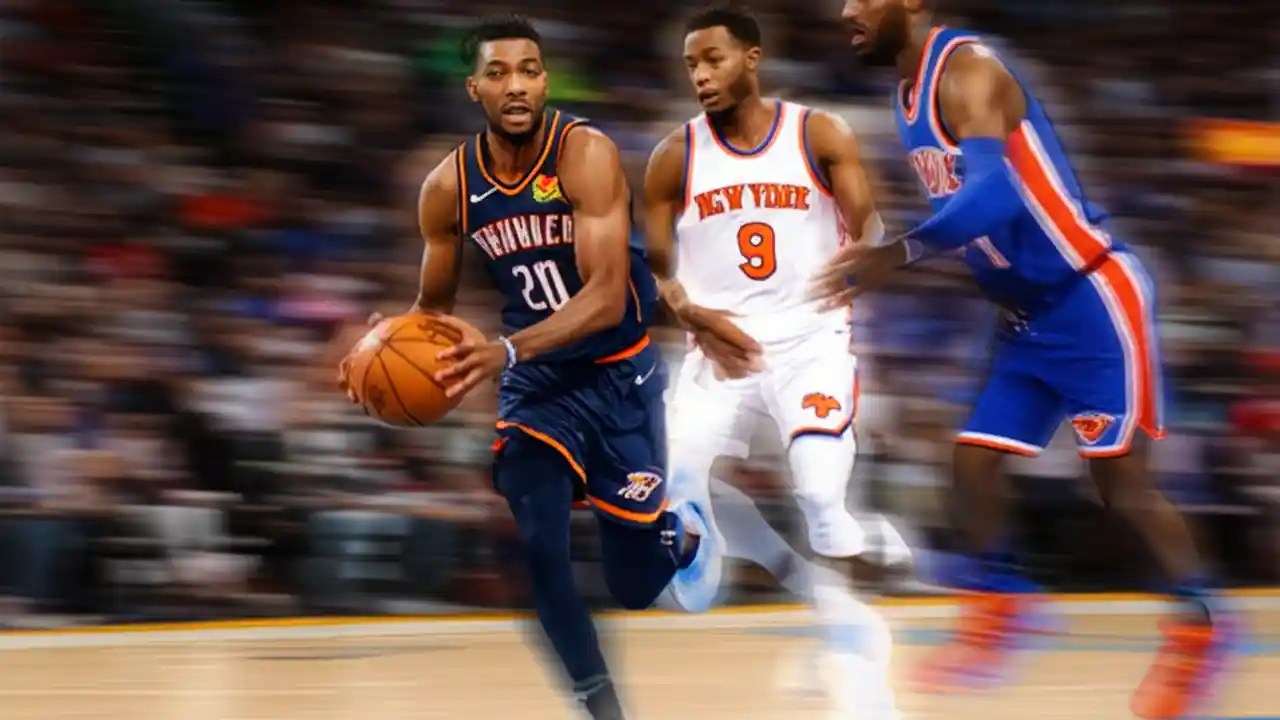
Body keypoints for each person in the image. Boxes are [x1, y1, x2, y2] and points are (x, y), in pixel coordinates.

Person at [818, 2, 1234, 717]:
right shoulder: (906, 91)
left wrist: (900, 252)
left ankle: (1201, 626)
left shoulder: (970, 72)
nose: (846, 10)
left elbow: (993, 196)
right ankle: (1002, 607)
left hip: (1090, 298)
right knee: (973, 460)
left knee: (1119, 486)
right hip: (1024, 319)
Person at [340, 15, 717, 720]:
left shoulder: (586, 154)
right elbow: (434, 310)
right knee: (538, 547)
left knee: (633, 584)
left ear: (544, 80)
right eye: (498, 73)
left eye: (529, 70)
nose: (516, 85)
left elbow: (606, 299)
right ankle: (600, 706)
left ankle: (679, 532)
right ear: (474, 87)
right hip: (537, 389)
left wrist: (505, 349)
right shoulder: (447, 187)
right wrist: (383, 345)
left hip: (618, 376)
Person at [644, 6, 909, 716]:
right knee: (670, 475)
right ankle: (694, 530)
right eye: (691, 65)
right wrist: (685, 308)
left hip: (809, 342)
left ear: (752, 58)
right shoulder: (675, 155)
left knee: (822, 505)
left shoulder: (819, 132)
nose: (701, 75)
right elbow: (659, 269)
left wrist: (864, 252)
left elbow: (872, 229)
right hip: (719, 342)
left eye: (714, 59)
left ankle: (860, 538)